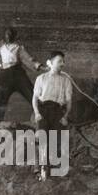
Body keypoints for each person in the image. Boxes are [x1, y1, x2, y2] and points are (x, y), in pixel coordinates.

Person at [31, 50, 73, 181]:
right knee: (41, 138)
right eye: (59, 61)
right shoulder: (41, 78)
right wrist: (37, 113)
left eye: (63, 61)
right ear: (50, 63)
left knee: (56, 140)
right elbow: (35, 98)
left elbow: (69, 102)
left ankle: (55, 170)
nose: (63, 64)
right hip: (43, 110)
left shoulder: (66, 80)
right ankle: (40, 170)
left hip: (57, 111)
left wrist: (65, 116)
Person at [0, 27, 40, 122]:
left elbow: (28, 59)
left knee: (32, 95)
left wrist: (40, 66)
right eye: (6, 34)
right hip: (4, 75)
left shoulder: (18, 47)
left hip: (18, 74)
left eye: (10, 34)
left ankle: (39, 117)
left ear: (14, 36)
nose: (8, 36)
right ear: (3, 35)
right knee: (0, 101)